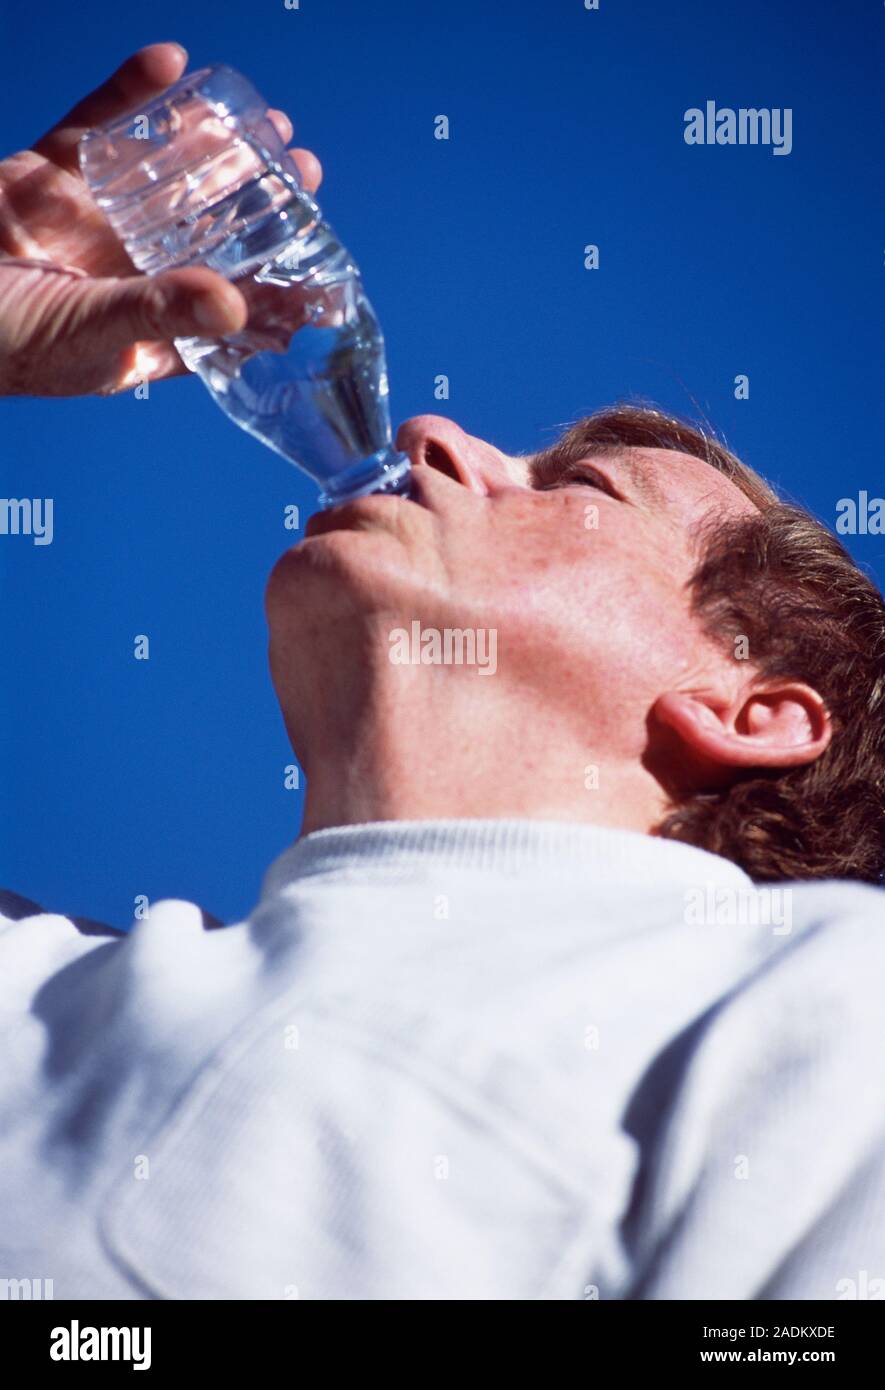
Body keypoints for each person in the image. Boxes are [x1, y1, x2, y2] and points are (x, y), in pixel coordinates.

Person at [1, 43, 884, 1302]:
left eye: (580, 485)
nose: (435, 436)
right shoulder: (31, 998)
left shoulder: (822, 1019)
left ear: (754, 710)